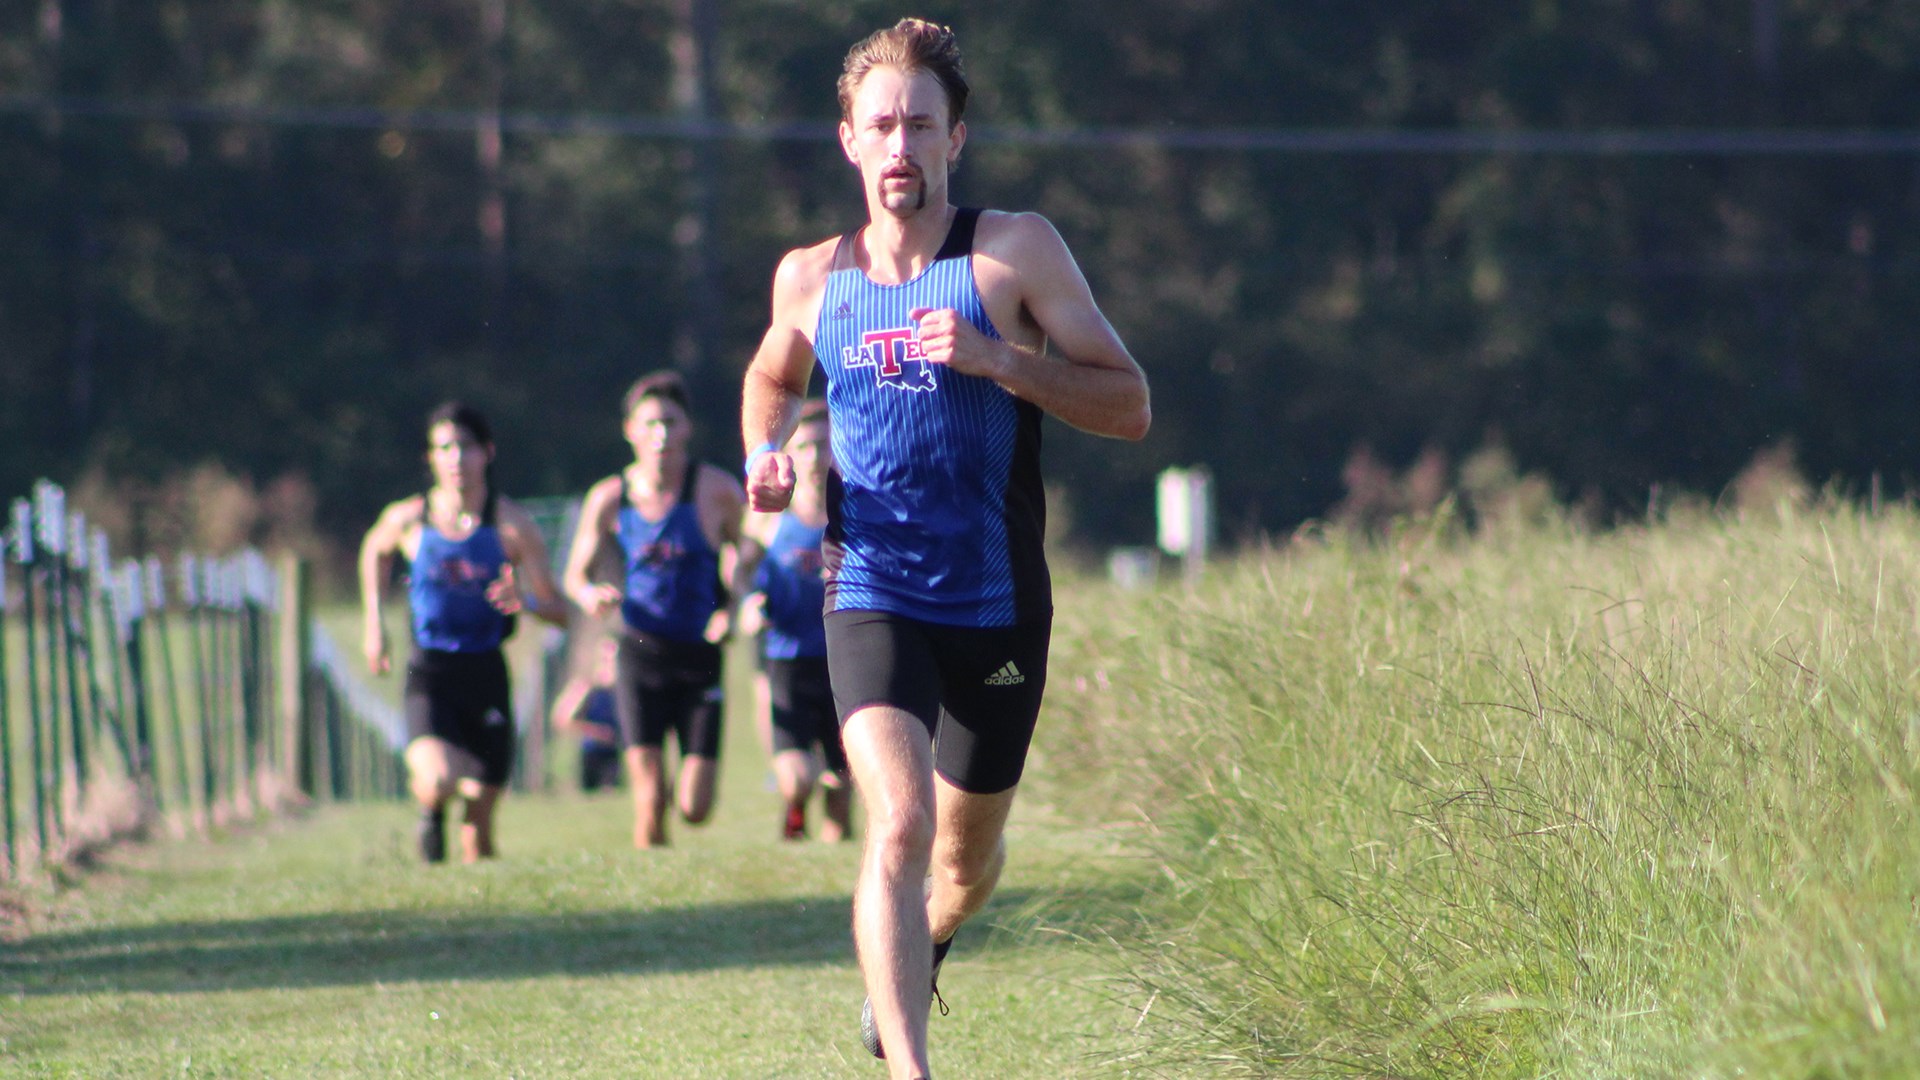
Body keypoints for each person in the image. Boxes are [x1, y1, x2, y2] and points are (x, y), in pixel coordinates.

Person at [738, 18, 1151, 1076]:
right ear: (848, 141)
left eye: (921, 124)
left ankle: (919, 949)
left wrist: (998, 361)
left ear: (954, 139)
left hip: (998, 603)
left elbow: (1128, 404)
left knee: (962, 865)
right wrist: (766, 451)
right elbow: (773, 378)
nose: (900, 146)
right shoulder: (812, 278)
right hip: (869, 585)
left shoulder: (1012, 253)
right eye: (881, 124)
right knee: (901, 822)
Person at [359, 401, 568, 864]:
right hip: (429, 670)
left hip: (487, 672)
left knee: (479, 826)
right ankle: (429, 814)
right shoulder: (410, 520)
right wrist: (375, 624)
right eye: (444, 448)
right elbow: (374, 550)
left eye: (466, 447)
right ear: (430, 458)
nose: (456, 458)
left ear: (487, 452)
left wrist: (527, 603)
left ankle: (476, 920)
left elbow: (560, 611)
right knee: (438, 780)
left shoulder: (512, 525)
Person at [562, 370, 746, 849]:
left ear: (687, 428)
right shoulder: (608, 498)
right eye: (649, 423)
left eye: (670, 421)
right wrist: (590, 595)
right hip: (638, 653)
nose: (660, 434)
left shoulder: (716, 491)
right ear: (629, 431)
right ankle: (653, 907)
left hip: (699, 653)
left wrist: (731, 606)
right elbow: (575, 575)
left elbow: (747, 556)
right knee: (648, 798)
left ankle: (684, 805)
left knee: (694, 806)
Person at [735, 399, 852, 843]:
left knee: (842, 786)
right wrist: (749, 603)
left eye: (824, 445)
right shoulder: (769, 519)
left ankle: (834, 873)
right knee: (797, 778)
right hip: (787, 658)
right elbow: (740, 572)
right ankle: (794, 807)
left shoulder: (853, 510)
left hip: (843, 655)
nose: (815, 456)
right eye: (804, 446)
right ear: (791, 453)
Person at [548, 633, 624, 792]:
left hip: (618, 753)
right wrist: (597, 732)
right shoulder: (587, 687)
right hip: (591, 753)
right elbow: (562, 718)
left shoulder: (625, 690)